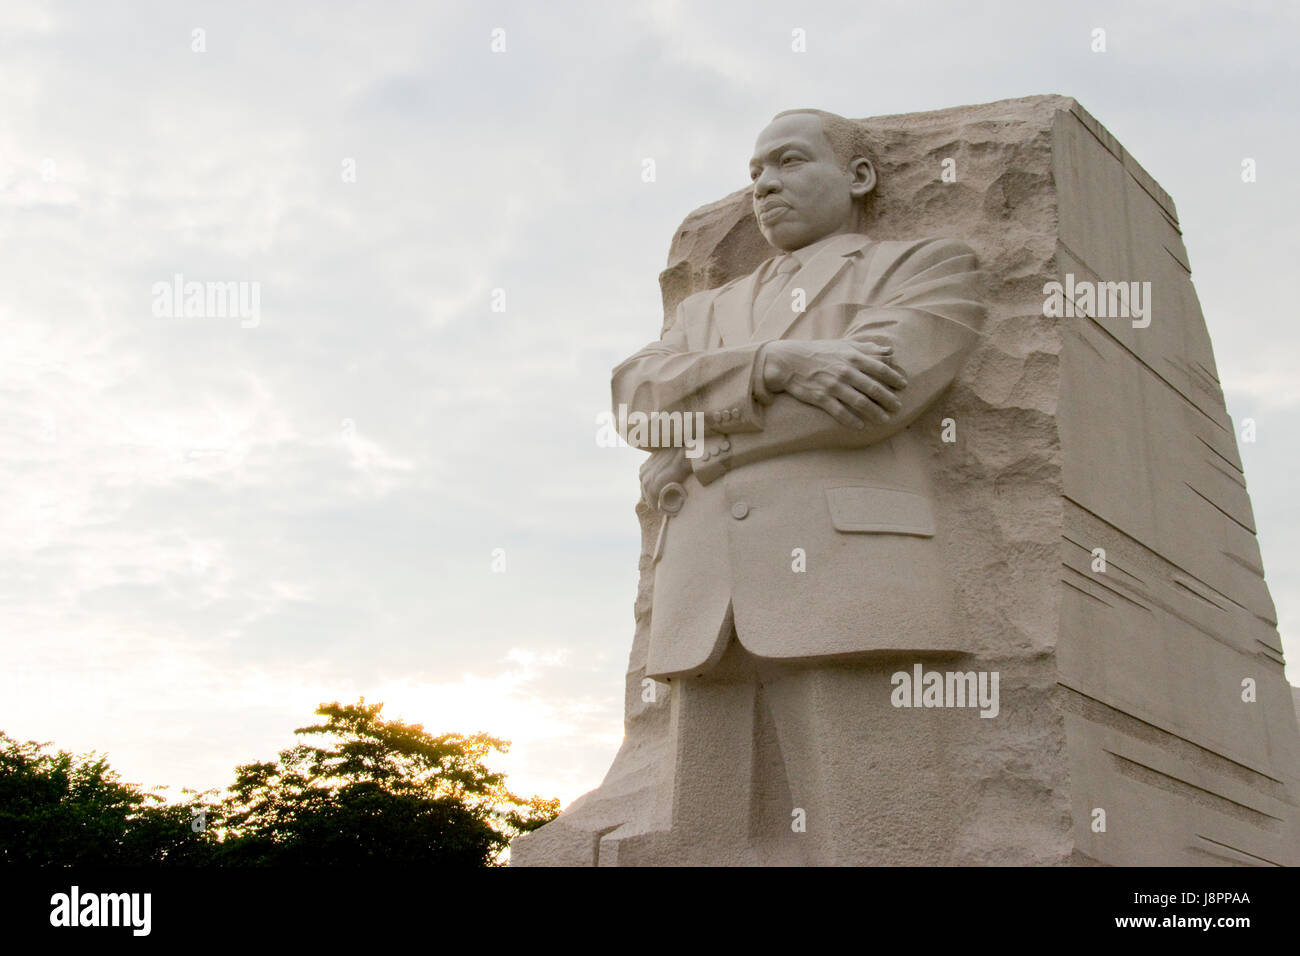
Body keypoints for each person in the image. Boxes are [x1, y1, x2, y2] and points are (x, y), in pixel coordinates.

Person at [604, 108, 987, 864]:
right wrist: (774, 365)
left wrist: (699, 444)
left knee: (879, 834)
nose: (765, 186)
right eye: (754, 173)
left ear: (859, 176)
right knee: (701, 840)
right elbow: (635, 400)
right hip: (703, 599)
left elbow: (876, 400)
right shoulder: (705, 310)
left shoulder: (920, 266)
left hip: (847, 582)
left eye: (787, 162)